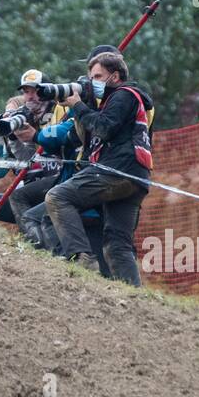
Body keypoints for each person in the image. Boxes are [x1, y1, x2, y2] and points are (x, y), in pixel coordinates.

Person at [44, 50, 154, 285]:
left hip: (116, 170)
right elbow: (87, 138)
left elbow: (104, 128)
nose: (92, 82)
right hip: (135, 177)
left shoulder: (124, 95)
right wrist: (79, 109)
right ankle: (135, 298)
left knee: (57, 197)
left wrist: (78, 106)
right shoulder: (115, 101)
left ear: (114, 76)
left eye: (97, 76)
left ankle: (82, 259)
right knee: (116, 244)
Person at [0, 70, 57, 222]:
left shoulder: (52, 119)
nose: (30, 96)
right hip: (27, 195)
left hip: (53, 188)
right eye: (26, 92)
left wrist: (34, 134)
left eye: (35, 91)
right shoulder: (13, 132)